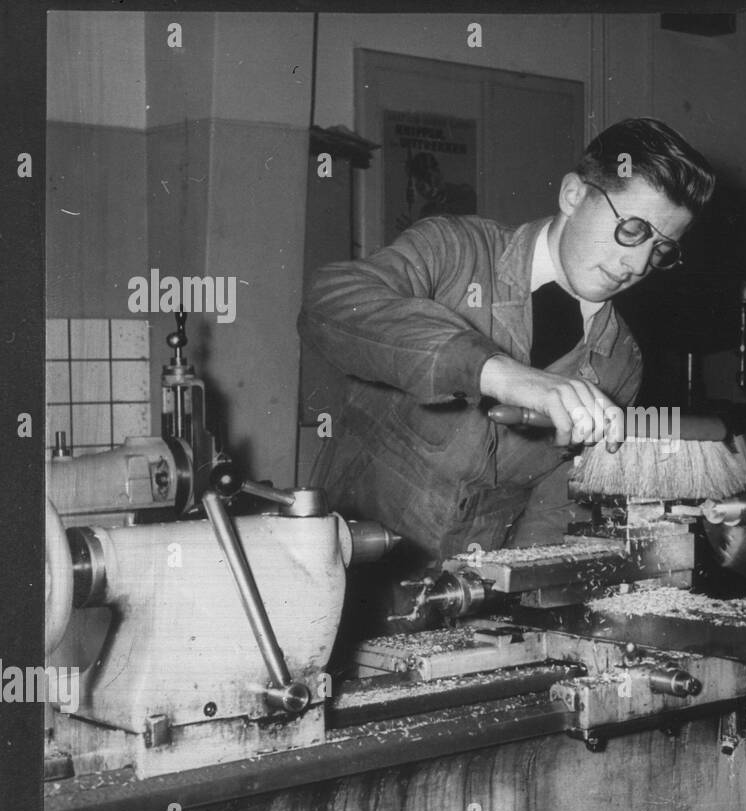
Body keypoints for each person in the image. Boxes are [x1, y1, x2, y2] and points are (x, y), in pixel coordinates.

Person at [299, 117, 716, 568]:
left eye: (660, 249)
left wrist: (524, 592)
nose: (636, 263)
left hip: (470, 590)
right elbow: (329, 302)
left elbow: (555, 499)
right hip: (345, 565)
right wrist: (497, 372)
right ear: (573, 196)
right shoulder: (454, 254)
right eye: (632, 229)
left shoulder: (620, 359)